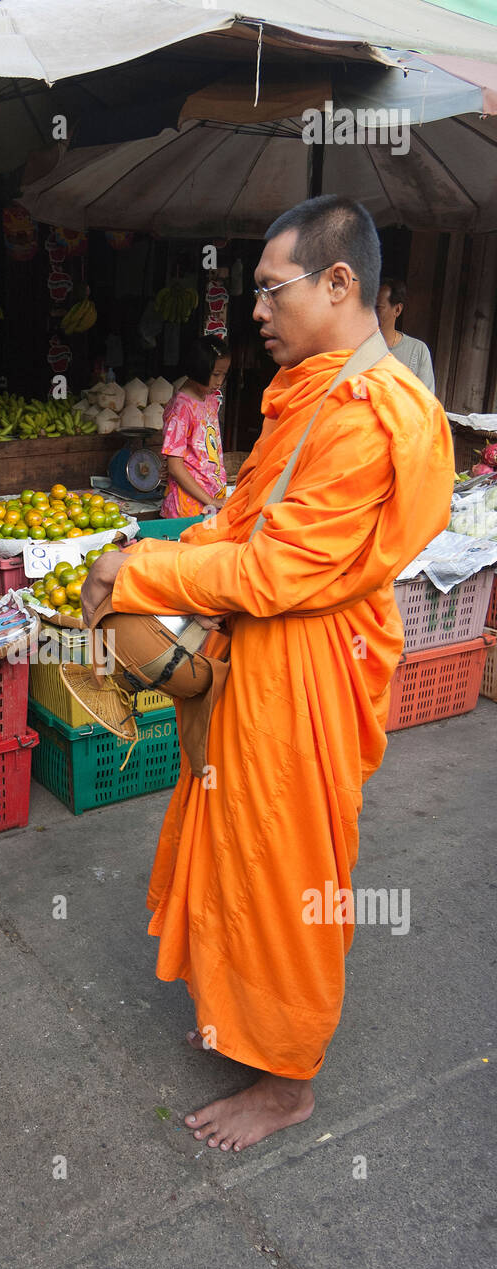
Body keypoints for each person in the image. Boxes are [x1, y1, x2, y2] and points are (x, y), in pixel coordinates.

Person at [82, 195, 454, 1153]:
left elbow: (281, 569)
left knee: (287, 872)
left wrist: (148, 569)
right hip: (259, 655)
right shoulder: (320, 390)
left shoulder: (372, 413)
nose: (254, 311)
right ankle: (240, 1016)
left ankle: (288, 1082)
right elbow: (249, 520)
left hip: (308, 670)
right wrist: (158, 542)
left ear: (339, 283)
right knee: (239, 843)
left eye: (267, 289)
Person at [160, 336, 231, 518]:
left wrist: (214, 500)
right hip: (187, 507)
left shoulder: (210, 399)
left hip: (211, 500)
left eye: (224, 374)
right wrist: (211, 501)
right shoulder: (181, 408)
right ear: (198, 369)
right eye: (216, 374)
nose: (219, 382)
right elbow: (175, 467)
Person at [375, 278, 436, 393]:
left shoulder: (418, 351)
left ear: (397, 310)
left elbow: (426, 401)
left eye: (378, 308)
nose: (372, 313)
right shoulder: (358, 347)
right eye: (369, 307)